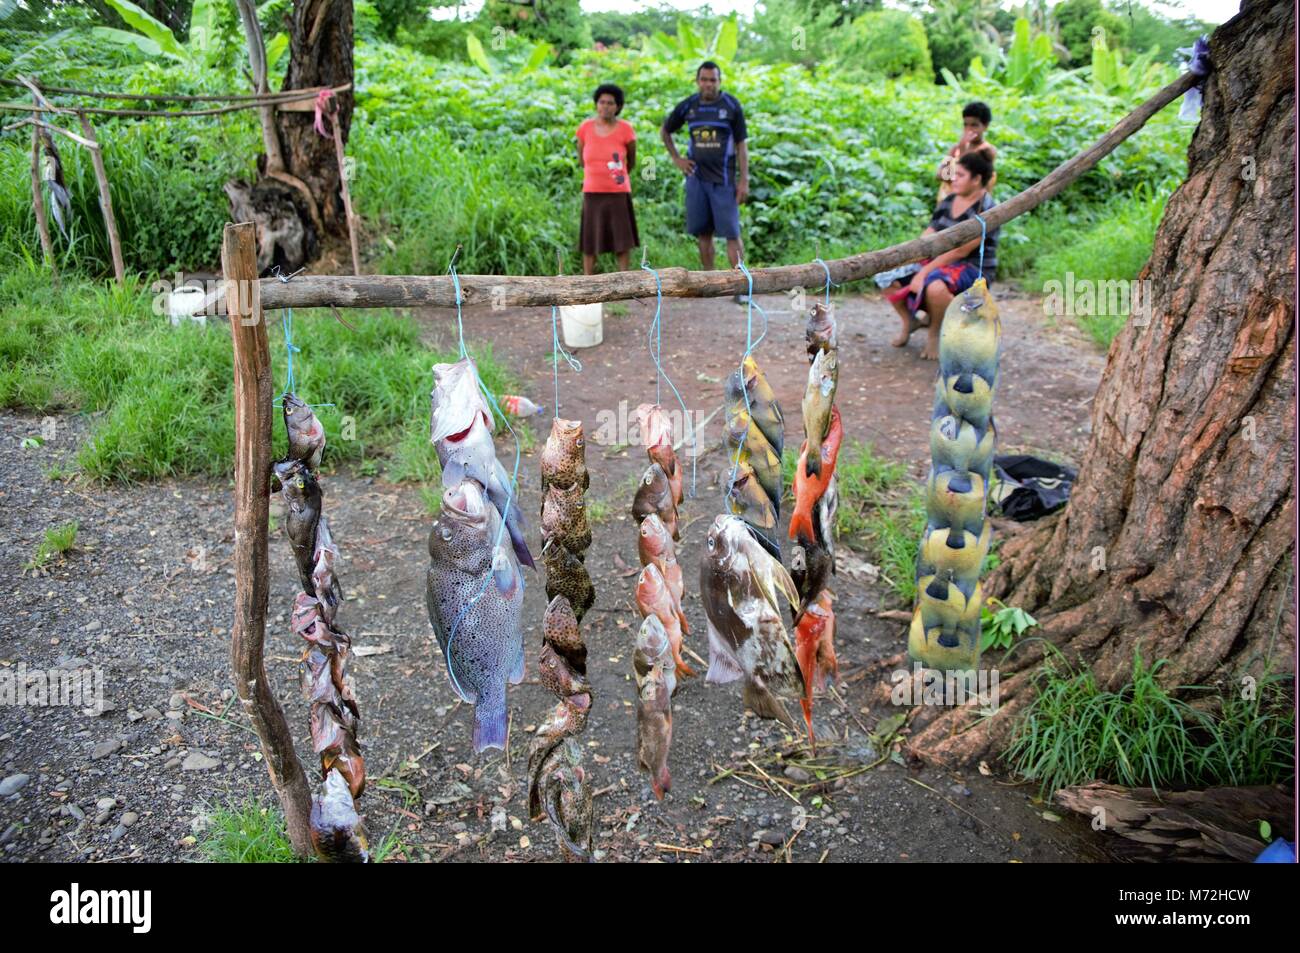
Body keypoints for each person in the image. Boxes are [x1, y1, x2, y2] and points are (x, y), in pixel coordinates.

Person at [886, 151, 999, 360]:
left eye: (960, 175)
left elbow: (960, 251)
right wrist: (908, 256)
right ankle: (909, 321)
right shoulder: (948, 201)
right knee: (888, 276)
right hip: (939, 261)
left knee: (935, 287)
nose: (953, 178)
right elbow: (929, 235)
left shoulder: (988, 210)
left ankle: (935, 333)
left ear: (976, 180)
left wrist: (924, 272)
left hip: (971, 267)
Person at [660, 61, 750, 302]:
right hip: (696, 179)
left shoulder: (731, 106)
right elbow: (665, 130)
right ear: (697, 80)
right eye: (704, 79)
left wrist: (744, 180)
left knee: (732, 233)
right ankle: (709, 284)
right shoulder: (689, 106)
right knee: (703, 233)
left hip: (724, 180)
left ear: (719, 81)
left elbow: (742, 145)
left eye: (713, 80)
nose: (708, 84)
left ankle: (741, 288)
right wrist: (677, 159)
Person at [576, 83, 639, 275]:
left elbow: (631, 161)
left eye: (610, 103)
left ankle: (623, 278)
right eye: (602, 102)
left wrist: (617, 177)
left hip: (618, 192)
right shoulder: (585, 128)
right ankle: (588, 279)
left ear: (618, 106)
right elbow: (581, 159)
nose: (605, 106)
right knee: (590, 239)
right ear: (596, 104)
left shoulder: (626, 130)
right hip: (592, 191)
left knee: (622, 239)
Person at [936, 101, 998, 202]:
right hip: (946, 205)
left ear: (985, 126)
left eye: (974, 125)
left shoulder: (987, 151)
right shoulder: (955, 149)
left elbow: (969, 183)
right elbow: (941, 175)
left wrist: (962, 150)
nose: (969, 129)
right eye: (966, 125)